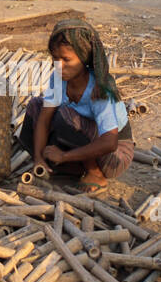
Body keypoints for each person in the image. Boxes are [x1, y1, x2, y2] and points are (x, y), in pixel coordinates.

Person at [19, 19, 134, 193]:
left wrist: (64, 156)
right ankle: (66, 168)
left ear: (84, 57)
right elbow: (43, 120)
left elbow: (110, 142)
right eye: (55, 58)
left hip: (115, 155)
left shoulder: (98, 89)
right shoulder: (58, 78)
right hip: (86, 143)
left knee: (66, 116)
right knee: (36, 105)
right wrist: (38, 159)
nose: (59, 66)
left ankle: (95, 174)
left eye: (66, 60)